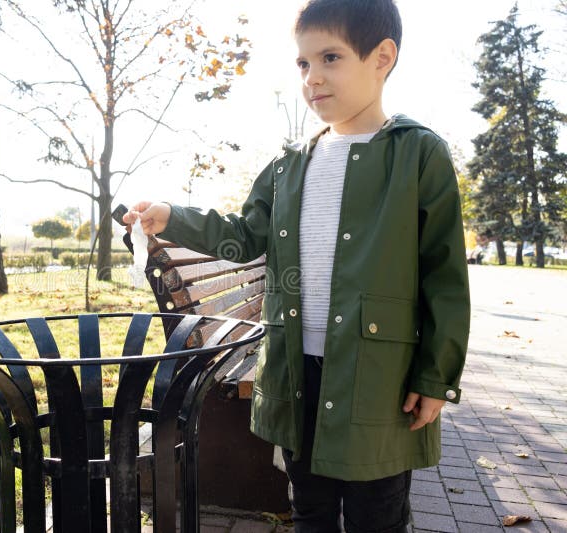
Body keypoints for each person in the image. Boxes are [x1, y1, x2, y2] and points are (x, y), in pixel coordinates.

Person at [122, 0, 470, 531]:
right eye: (303, 64)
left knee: (377, 512)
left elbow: (443, 274)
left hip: (378, 377)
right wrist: (175, 218)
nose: (312, 78)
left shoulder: (417, 155)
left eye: (330, 58)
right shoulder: (291, 163)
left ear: (382, 57)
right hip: (296, 369)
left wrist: (436, 374)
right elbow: (244, 236)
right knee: (308, 508)